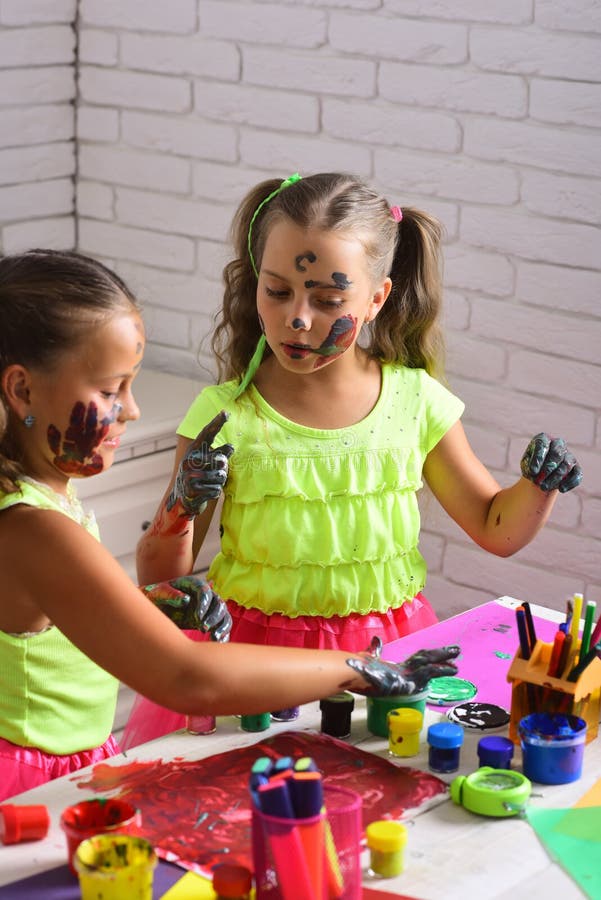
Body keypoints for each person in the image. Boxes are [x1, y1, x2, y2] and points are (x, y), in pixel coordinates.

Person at [129, 171, 582, 743]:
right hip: (253, 666)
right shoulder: (226, 416)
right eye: (277, 291)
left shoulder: (414, 402)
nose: (297, 317)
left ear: (375, 299)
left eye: (327, 299)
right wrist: (179, 505)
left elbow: (498, 528)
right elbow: (161, 582)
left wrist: (538, 484)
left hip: (386, 655)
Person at [0, 248, 459, 801]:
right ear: (22, 389)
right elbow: (187, 677)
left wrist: (156, 602)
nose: (132, 409)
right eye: (109, 390)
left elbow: (56, 625)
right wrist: (360, 667)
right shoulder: (34, 527)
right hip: (25, 788)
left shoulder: (38, 502)